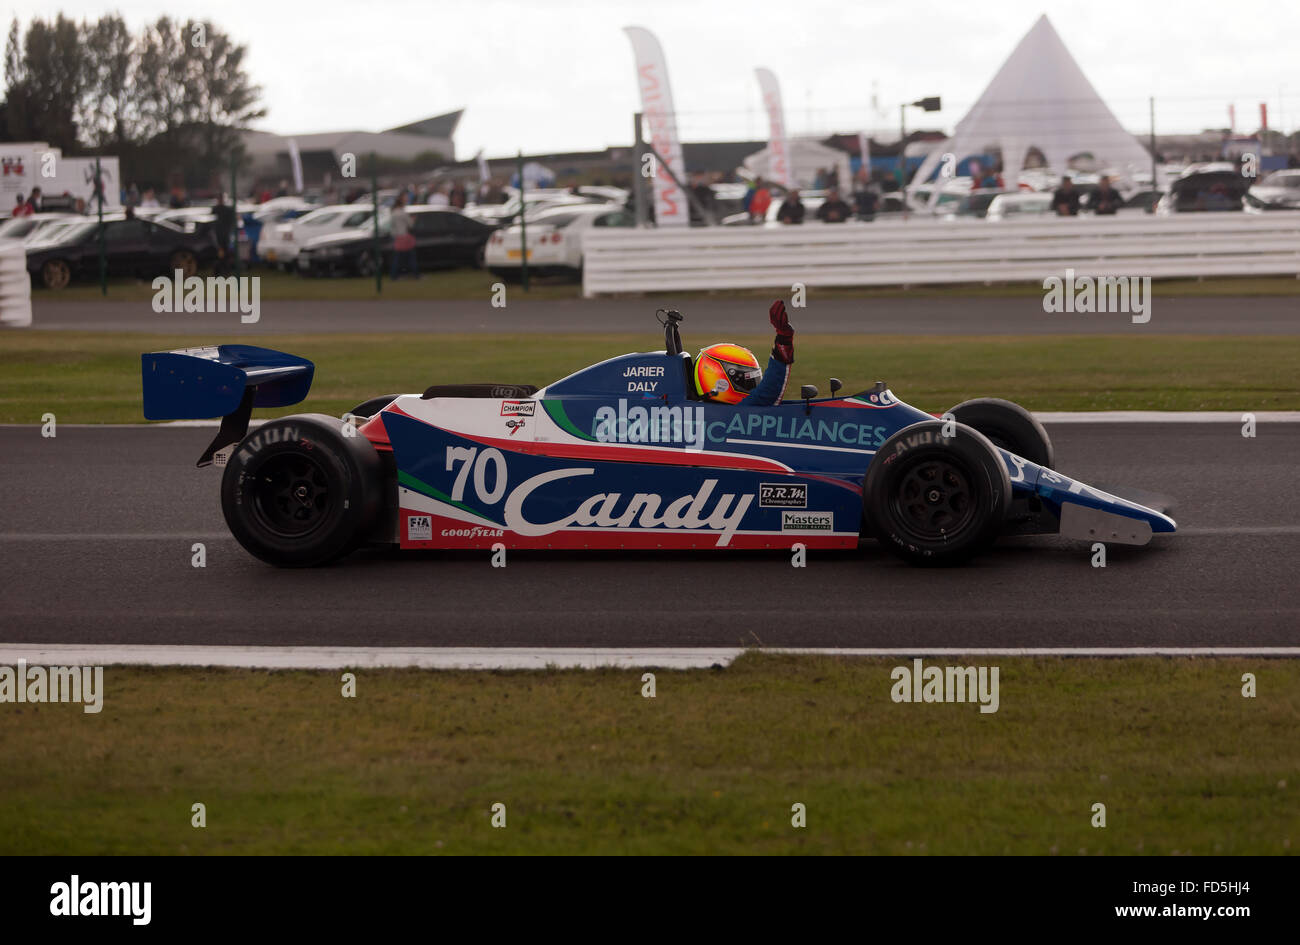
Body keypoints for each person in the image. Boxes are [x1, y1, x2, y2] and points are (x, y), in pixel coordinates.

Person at [693, 300, 794, 407]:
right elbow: (767, 393)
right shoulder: (732, 414)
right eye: (748, 382)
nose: (754, 387)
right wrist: (784, 339)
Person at [390, 194, 417, 279]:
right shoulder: (403, 213)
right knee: (410, 257)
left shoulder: (393, 213)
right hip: (404, 236)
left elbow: (392, 226)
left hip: (397, 237)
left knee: (397, 258)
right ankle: (416, 274)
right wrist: (413, 219)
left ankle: (394, 275)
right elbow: (410, 225)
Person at [212, 193, 236, 275]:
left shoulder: (227, 210)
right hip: (219, 236)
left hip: (225, 235)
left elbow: (231, 222)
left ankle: (225, 271)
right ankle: (220, 271)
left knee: (225, 254)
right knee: (220, 254)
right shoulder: (215, 210)